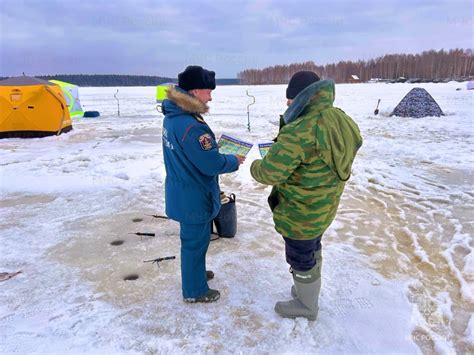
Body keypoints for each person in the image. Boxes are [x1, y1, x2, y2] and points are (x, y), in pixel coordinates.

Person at [250, 71, 363, 320]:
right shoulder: (340, 118)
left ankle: (306, 304)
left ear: (302, 98)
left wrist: (256, 165)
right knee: (313, 246)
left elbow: (270, 173)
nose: (287, 104)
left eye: (290, 99)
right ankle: (307, 288)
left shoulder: (301, 130)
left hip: (300, 211)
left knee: (300, 255)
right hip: (324, 205)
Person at [161, 65, 245, 303]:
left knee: (194, 241)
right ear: (195, 91)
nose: (211, 96)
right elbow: (211, 164)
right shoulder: (191, 126)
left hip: (184, 189)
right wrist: (233, 160)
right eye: (208, 91)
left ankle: (195, 275)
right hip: (194, 194)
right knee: (194, 244)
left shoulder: (174, 117)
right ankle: (195, 290)